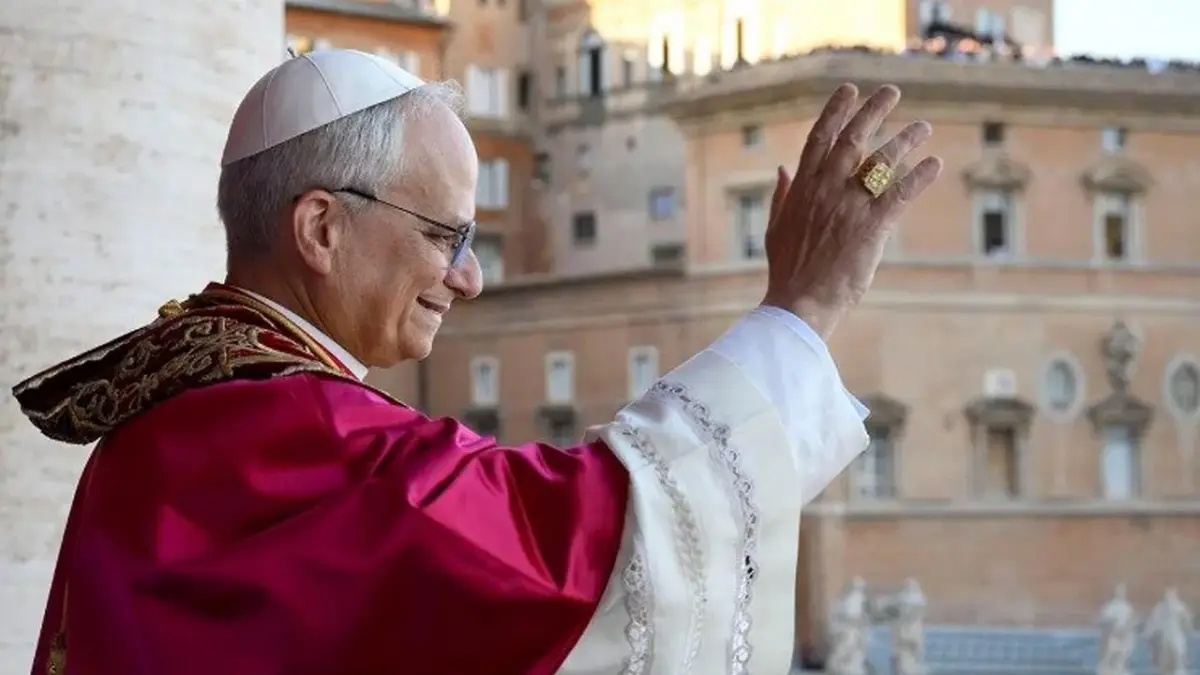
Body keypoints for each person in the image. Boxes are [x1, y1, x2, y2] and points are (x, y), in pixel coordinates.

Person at [12, 49, 942, 675]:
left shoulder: (163, 419)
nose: (471, 278)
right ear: (322, 227)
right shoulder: (298, 435)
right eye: (447, 234)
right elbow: (578, 544)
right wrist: (804, 309)